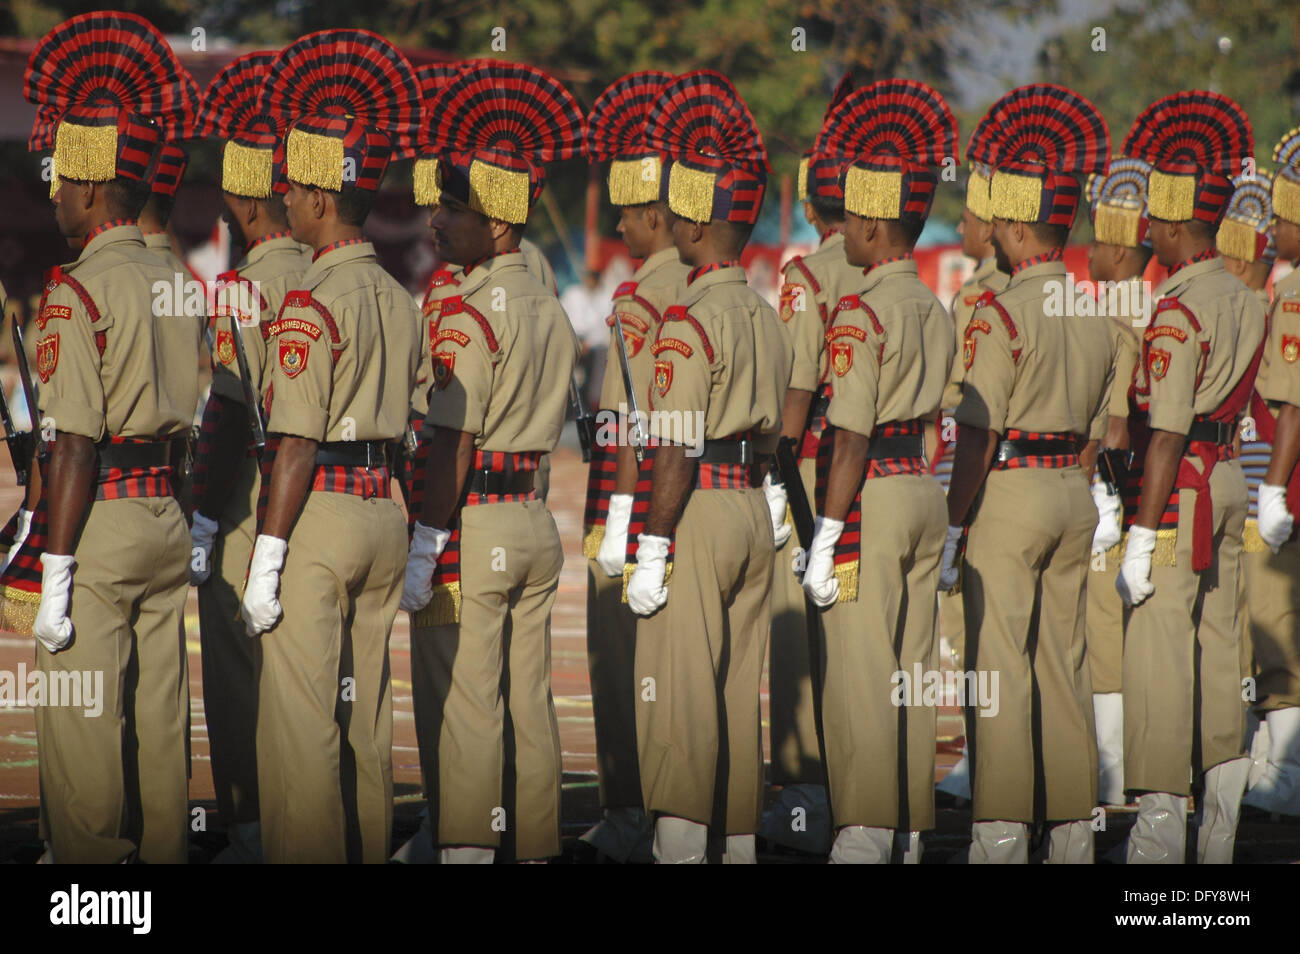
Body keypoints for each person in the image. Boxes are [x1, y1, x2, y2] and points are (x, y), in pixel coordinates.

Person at [22, 10, 202, 863]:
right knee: (160, 711)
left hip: (100, 521)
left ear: (94, 190)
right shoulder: (176, 278)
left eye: (61, 183)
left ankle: (92, 873)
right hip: (166, 510)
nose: (53, 195)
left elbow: (76, 443)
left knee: (85, 710)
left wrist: (52, 571)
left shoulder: (78, 290)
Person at [241, 28, 423, 864]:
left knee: (305, 718)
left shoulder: (312, 298)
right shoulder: (400, 295)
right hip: (384, 510)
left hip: (317, 514)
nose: (285, 204)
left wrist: (267, 554)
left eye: (293, 192)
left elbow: (295, 439)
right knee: (369, 716)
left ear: (318, 201)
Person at [399, 60, 583, 864]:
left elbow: (456, 438)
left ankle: (468, 847)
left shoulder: (472, 312)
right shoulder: (546, 300)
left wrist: (426, 538)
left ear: (499, 226)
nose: (437, 222)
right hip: (535, 520)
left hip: (475, 520)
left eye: (454, 210)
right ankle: (536, 846)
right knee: (530, 704)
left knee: (471, 701)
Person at [939, 84, 1115, 863]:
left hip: (1010, 491)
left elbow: (976, 435)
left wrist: (952, 524)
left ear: (1013, 226)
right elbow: (1099, 426)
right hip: (1072, 492)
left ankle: (1003, 834)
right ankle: (1073, 832)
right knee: (1065, 662)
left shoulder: (999, 313)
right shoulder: (1096, 316)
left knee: (1001, 667)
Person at [624, 69, 792, 863]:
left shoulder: (688, 319)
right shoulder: (764, 313)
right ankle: (738, 847)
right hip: (753, 507)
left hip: (696, 509)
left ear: (694, 224)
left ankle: (683, 853)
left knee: (683, 701)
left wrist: (652, 545)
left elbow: (677, 443)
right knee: (735, 696)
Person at [799, 79, 957, 863]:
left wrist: (825, 535)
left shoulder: (861, 308)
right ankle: (910, 828)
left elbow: (851, 432)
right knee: (913, 668)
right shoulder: (934, 304)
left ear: (869, 222)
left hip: (873, 492)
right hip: (924, 489)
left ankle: (862, 831)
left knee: (861, 671)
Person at [1115, 91, 1265, 864]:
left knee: (1160, 652)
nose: (1148, 235)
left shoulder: (1177, 309)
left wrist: (1140, 535)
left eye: (1156, 225)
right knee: (1219, 651)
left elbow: (1167, 427)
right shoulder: (1246, 296)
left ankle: (1158, 832)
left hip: (1185, 488)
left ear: (1177, 226)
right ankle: (1219, 831)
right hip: (1231, 472)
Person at [188, 50, 309, 863]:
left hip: (251, 500)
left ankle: (256, 826)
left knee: (239, 674)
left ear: (243, 197)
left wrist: (201, 511)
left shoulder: (241, 288)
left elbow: (229, 413)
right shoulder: (324, 268)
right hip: (328, 499)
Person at [577, 70, 686, 863]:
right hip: (693, 505)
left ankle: (630, 817)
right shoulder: (715, 286)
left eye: (627, 210)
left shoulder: (640, 299)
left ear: (657, 214)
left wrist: (616, 525)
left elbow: (622, 425)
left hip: (638, 501)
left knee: (622, 673)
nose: (617, 221)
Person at [760, 73, 863, 853]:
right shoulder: (885, 269)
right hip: (877, 477)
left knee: (800, 637)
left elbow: (798, 389)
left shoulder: (808, 277)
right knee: (865, 646)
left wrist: (773, 479)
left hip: (814, 474)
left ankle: (805, 806)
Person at [933, 156, 1010, 806]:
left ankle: (981, 757)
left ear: (992, 227)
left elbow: (968, 398)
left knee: (970, 623)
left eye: (968, 215)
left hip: (981, 461)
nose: (960, 224)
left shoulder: (980, 297)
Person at [1081, 156, 1149, 806]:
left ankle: (1109, 772)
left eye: (1101, 240)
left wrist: (1107, 497)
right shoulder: (1144, 303)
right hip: (1138, 494)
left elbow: (1118, 426)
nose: (1091, 251)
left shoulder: (1121, 315)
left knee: (1103, 633)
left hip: (1117, 493)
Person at [1242, 131, 1300, 814]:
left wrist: (1275, 490)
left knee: (1277, 624)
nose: (1276, 230)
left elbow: (1291, 406)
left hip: (1289, 483)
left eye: (1284, 215)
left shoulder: (1291, 294)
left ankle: (1288, 774)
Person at [563, 268, 609, 408]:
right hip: (572, 341)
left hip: (595, 347)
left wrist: (588, 343)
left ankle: (594, 402)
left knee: (593, 380)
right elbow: (563, 317)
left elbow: (603, 329)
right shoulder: (573, 294)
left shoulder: (605, 298)